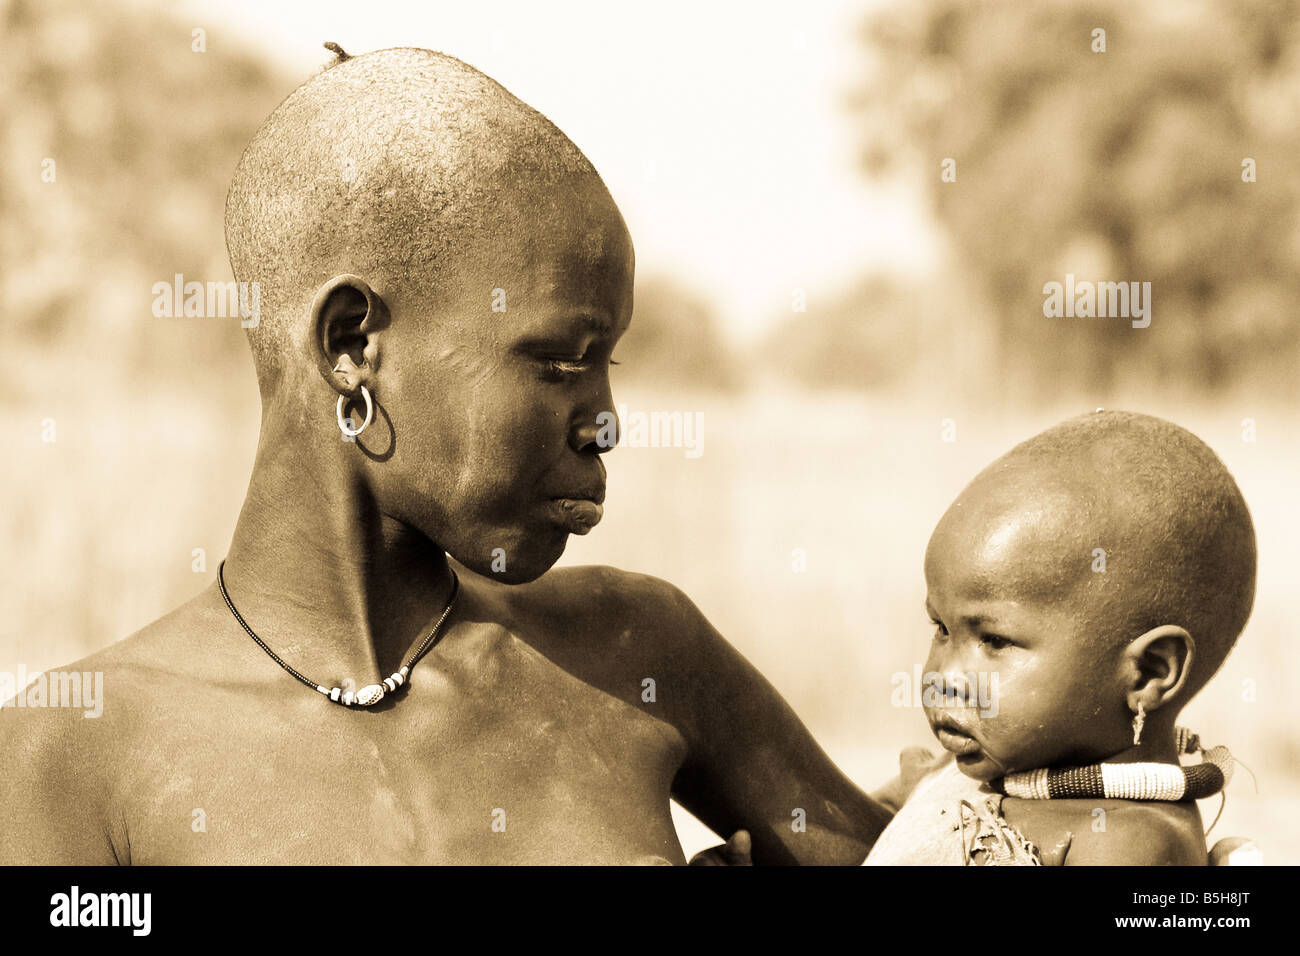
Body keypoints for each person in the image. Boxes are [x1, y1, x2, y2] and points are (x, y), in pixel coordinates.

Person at [0, 45, 889, 865]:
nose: (607, 423)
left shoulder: (636, 654)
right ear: (351, 345)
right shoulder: (72, 754)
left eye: (606, 363)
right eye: (558, 362)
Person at [863, 410, 1254, 865]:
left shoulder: (1130, 840)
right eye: (942, 629)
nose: (943, 677)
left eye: (994, 641)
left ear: (1149, 672)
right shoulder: (968, 775)